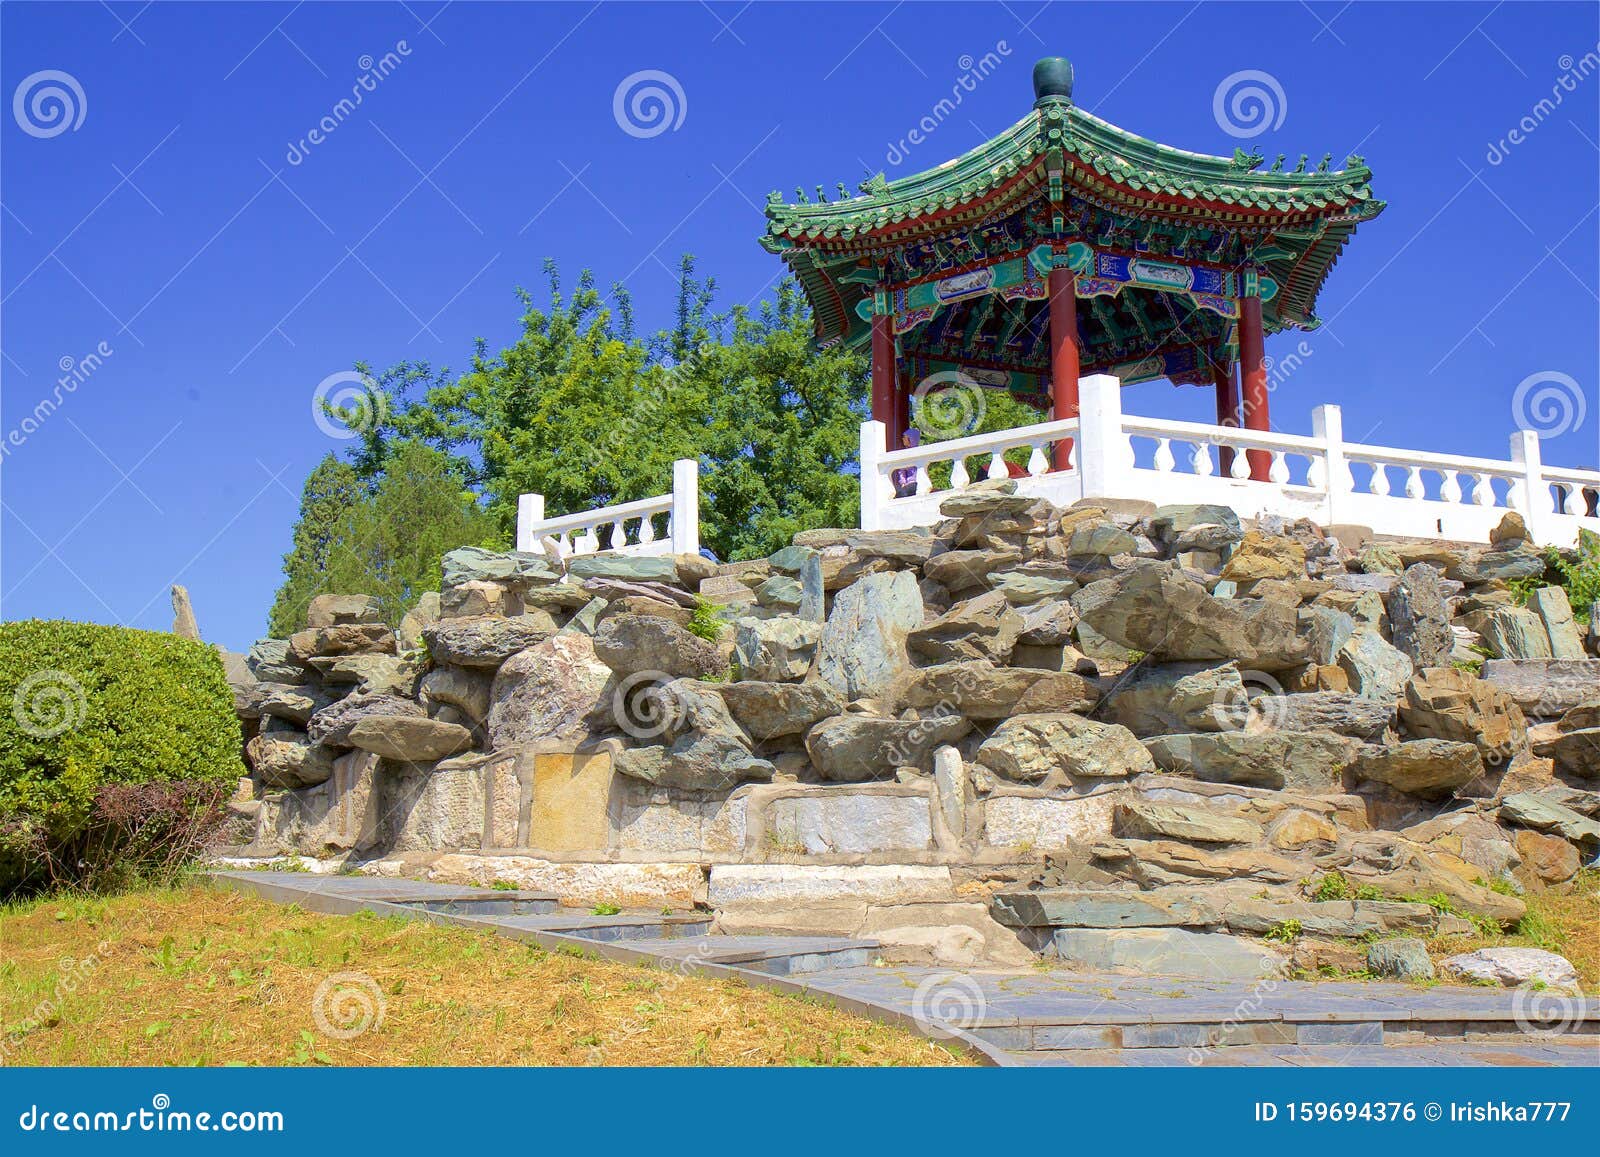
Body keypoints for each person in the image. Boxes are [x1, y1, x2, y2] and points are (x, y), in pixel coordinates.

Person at [891, 428, 920, 497]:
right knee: (895, 491)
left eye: (904, 437)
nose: (902, 439)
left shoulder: (918, 452)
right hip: (906, 484)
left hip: (915, 483)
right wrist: (903, 482)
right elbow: (902, 471)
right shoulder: (904, 453)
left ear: (911, 438)